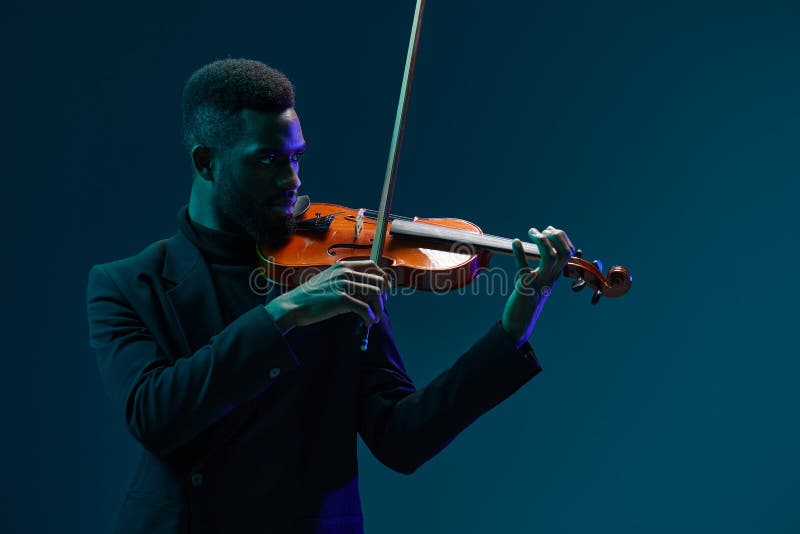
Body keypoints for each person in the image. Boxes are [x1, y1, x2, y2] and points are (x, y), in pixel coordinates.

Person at [86, 58, 575, 534]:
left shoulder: (336, 268)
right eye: (268, 160)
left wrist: (513, 327)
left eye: (296, 156)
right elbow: (154, 416)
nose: (291, 179)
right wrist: (285, 312)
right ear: (205, 162)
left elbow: (402, 438)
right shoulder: (129, 284)